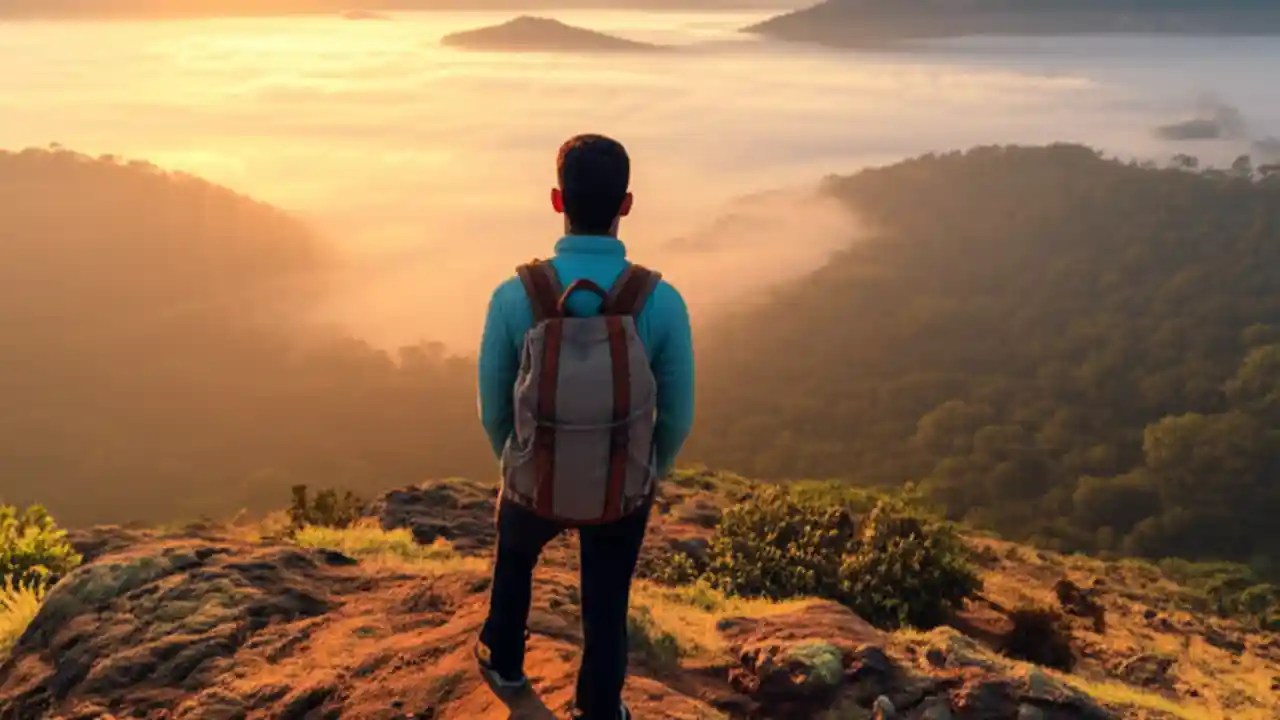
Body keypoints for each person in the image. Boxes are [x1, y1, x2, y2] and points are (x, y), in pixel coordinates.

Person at [474, 134, 695, 720]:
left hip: (533, 479)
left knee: (515, 557)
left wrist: (519, 463)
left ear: (556, 200)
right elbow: (678, 414)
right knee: (607, 595)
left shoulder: (513, 297)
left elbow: (493, 407)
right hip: (620, 487)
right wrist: (646, 474)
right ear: (626, 204)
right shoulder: (661, 301)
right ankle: (599, 704)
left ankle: (503, 656)